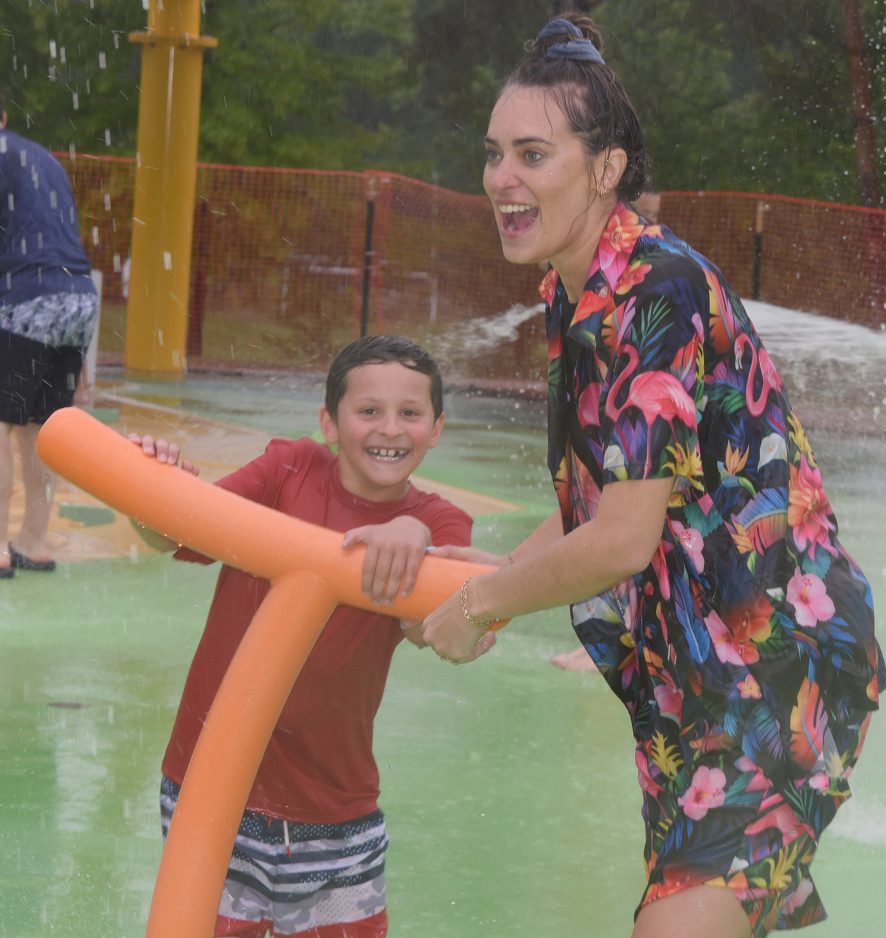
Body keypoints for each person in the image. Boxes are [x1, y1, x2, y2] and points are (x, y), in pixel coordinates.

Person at [420, 15, 884, 938]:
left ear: (606, 168)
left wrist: (481, 604)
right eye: (494, 154)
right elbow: (606, 498)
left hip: (771, 662)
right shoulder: (580, 291)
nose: (502, 178)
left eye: (532, 154)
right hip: (697, 674)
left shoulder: (655, 290)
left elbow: (622, 540)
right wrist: (492, 578)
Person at [132, 335, 472, 938]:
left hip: (334, 813)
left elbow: (443, 628)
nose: (390, 429)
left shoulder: (441, 522)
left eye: (410, 413)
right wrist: (153, 488)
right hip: (210, 787)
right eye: (368, 410)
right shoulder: (288, 470)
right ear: (329, 423)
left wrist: (415, 533)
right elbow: (176, 532)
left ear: (437, 428)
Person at [0, 95, 98, 577]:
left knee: (0, 423)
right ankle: (33, 540)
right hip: (78, 298)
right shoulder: (43, 159)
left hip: (28, 297)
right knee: (40, 426)